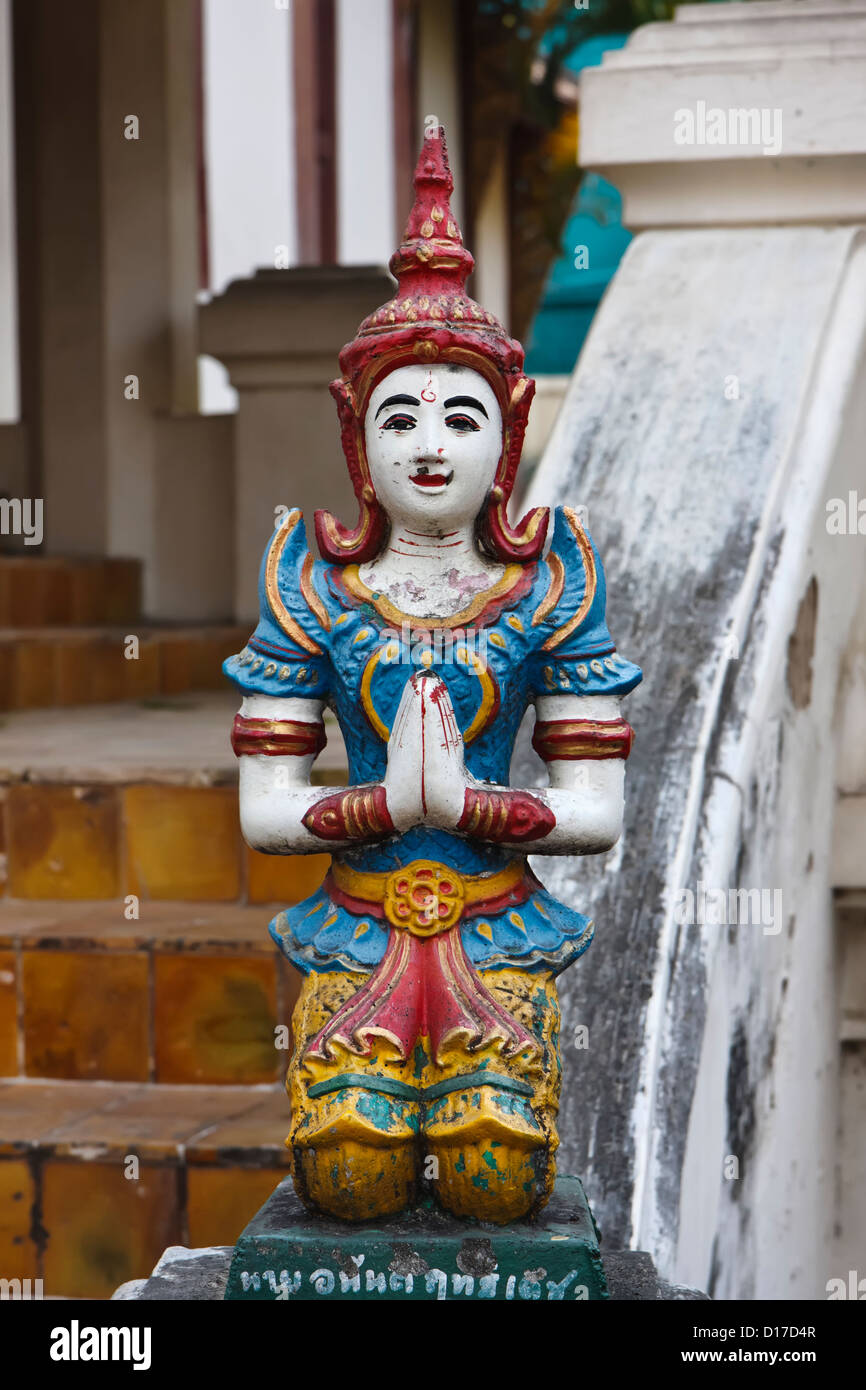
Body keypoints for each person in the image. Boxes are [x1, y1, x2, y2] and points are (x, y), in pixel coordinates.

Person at [225, 127, 641, 1224]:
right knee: (348, 1174)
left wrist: (464, 805)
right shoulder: (312, 585)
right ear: (357, 442)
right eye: (397, 414)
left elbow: (594, 812)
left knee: (495, 1177)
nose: (427, 444)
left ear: (502, 446)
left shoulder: (550, 585)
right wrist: (376, 804)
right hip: (357, 921)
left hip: (496, 917)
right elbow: (264, 812)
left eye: (459, 417)